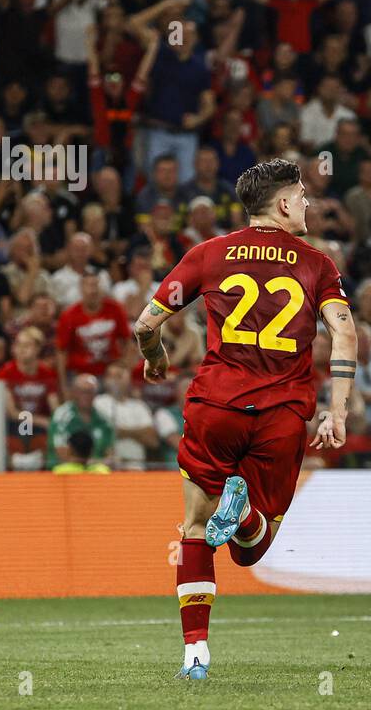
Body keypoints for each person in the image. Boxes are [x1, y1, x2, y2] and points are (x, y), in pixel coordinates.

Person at [133, 159, 358, 681]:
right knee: (251, 554)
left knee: (193, 525)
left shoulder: (208, 254)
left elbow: (145, 324)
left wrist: (156, 359)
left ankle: (195, 655)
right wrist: (337, 410)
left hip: (216, 407)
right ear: (282, 204)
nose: (307, 204)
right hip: (281, 416)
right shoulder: (317, 265)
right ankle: (246, 518)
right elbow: (344, 336)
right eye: (301, 196)